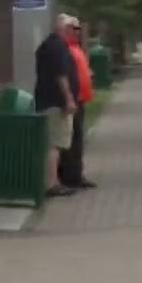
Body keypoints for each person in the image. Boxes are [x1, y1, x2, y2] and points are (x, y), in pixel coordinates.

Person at [35, 13, 80, 197]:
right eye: (74, 29)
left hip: (47, 101)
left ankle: (54, 180)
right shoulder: (58, 47)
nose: (76, 33)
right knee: (54, 143)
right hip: (56, 103)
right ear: (66, 28)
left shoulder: (48, 44)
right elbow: (61, 75)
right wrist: (69, 99)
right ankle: (51, 183)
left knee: (54, 143)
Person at [58, 17, 97, 189]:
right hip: (73, 100)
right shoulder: (65, 49)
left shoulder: (75, 48)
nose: (78, 32)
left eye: (78, 28)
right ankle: (70, 175)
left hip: (80, 99)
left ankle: (75, 173)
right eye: (74, 28)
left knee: (77, 138)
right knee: (72, 139)